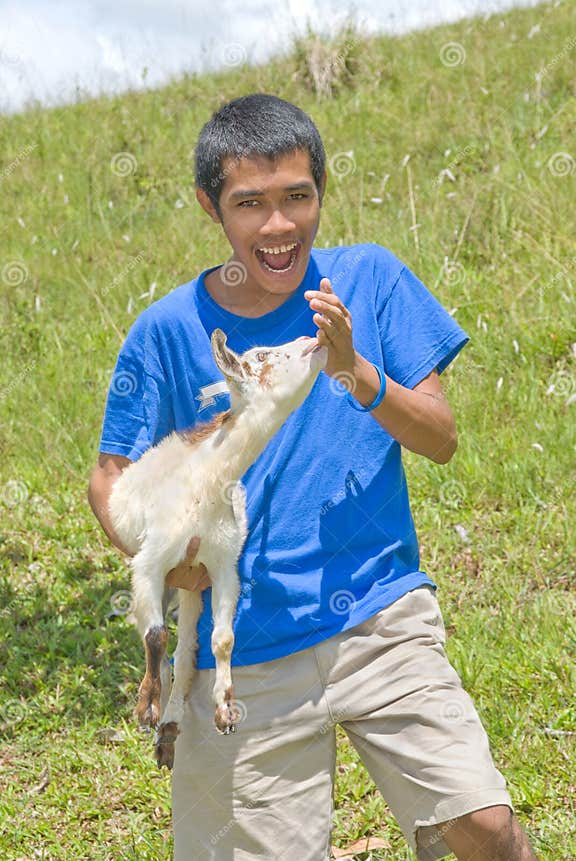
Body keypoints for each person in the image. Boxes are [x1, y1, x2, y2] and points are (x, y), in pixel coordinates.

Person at [88, 93, 538, 861]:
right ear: (210, 207)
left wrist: (357, 370)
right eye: (249, 203)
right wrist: (164, 555)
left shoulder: (370, 279)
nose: (278, 225)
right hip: (244, 651)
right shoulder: (166, 329)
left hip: (380, 619)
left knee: (486, 826)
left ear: (321, 192)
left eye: (298, 196)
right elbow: (110, 475)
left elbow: (442, 437)